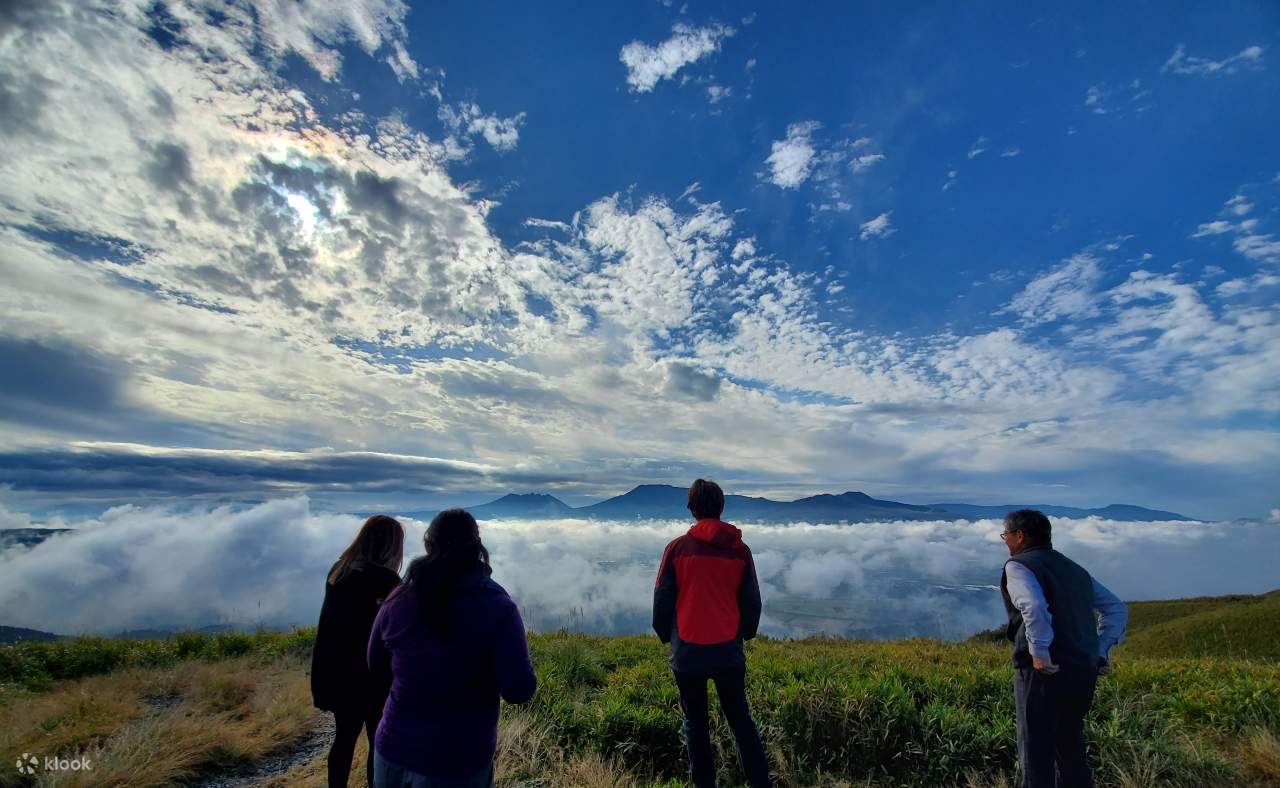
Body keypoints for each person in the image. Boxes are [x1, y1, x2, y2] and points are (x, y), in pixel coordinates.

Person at [368, 508, 536, 787]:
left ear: (428, 546)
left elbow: (375, 664)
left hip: (392, 750)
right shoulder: (497, 606)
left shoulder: (398, 598)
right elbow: (519, 690)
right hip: (457, 761)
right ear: (477, 547)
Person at [653, 479, 771, 788]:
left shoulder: (676, 549)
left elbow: (662, 600)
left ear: (692, 509)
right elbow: (752, 602)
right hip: (728, 652)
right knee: (740, 720)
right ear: (721, 508)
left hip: (687, 652)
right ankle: (761, 783)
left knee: (695, 724)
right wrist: (741, 636)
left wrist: (670, 638)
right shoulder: (740, 550)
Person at [999, 509, 1128, 788]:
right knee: (1070, 747)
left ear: (1019, 536)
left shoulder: (1019, 566)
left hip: (1042, 673)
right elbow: (1115, 608)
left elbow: (1032, 606)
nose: (1005, 542)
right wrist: (1101, 650)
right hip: (1082, 670)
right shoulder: (1075, 569)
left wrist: (1040, 653)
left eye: (1006, 535)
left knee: (1035, 751)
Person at [312, 514, 406, 788]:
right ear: (391, 545)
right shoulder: (387, 581)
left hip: (337, 670)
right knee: (378, 741)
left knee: (343, 738)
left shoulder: (339, 572)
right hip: (373, 675)